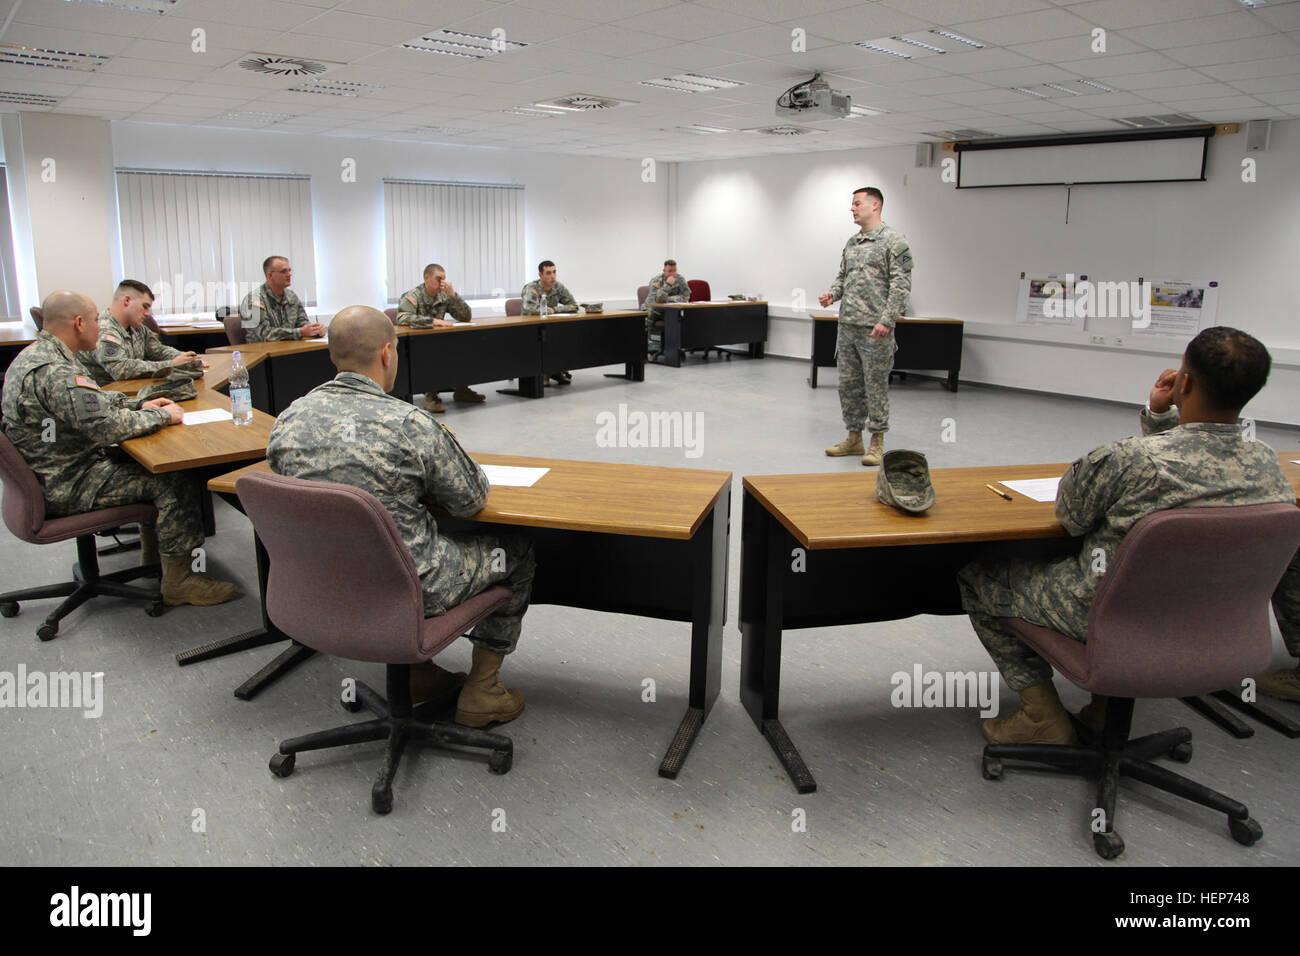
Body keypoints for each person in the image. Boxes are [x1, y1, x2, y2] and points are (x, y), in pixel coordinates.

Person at [958, 326, 1300, 744]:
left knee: (980, 578)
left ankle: (1041, 715)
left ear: (1185, 382)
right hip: (1210, 617)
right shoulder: (1266, 463)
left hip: (1109, 613)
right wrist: (1160, 419)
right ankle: (1105, 707)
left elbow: (1071, 517)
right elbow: (1190, 470)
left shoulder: (1125, 460)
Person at [266, 306, 535, 726]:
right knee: (515, 550)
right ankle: (483, 690)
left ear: (332, 355)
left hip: (320, 581)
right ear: (388, 353)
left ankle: (419, 675)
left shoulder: (289, 418)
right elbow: (471, 500)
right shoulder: (409, 423)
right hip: (410, 586)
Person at [1, 291, 239, 606]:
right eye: (96, 321)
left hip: (52, 470)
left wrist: (140, 402)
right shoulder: (56, 371)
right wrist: (161, 415)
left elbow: (92, 404)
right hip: (68, 482)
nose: (100, 328)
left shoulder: (39, 355)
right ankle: (181, 581)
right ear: (78, 323)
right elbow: (107, 428)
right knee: (174, 480)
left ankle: (154, 559)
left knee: (147, 465)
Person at [819, 186, 912, 467]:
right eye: (852, 204)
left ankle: (877, 442)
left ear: (875, 206)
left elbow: (901, 286)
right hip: (847, 327)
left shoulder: (895, 242)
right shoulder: (852, 242)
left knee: (875, 386)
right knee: (848, 386)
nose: (852, 208)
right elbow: (842, 277)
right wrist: (832, 294)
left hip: (875, 329)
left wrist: (887, 319)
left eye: (857, 203)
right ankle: (853, 438)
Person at [80, 279, 205, 385]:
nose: (147, 314)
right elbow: (120, 368)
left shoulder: (137, 327)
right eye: (144, 307)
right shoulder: (105, 329)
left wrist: (187, 358)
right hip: (109, 398)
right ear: (126, 301)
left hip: (132, 391)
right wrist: (171, 364)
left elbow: (158, 351)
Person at [395, 263, 481, 414]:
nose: (442, 283)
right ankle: (431, 397)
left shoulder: (444, 296)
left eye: (444, 279)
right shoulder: (413, 296)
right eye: (438, 278)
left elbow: (465, 316)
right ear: (426, 278)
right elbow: (403, 318)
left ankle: (461, 389)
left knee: (463, 349)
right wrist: (432, 321)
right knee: (431, 355)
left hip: (439, 341)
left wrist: (453, 296)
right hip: (418, 344)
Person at [239, 256, 326, 342]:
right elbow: (265, 335)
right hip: (261, 351)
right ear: (270, 275)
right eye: (284, 271)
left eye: (289, 270)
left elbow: (303, 324)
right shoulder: (253, 300)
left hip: (289, 349)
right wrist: (300, 332)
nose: (289, 274)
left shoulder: (291, 296)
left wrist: (316, 330)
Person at [521, 260, 576, 385]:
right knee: (547, 339)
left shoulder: (558, 287)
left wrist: (554, 309)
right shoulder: (531, 288)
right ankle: (544, 373)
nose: (552, 276)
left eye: (554, 272)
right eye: (548, 273)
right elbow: (530, 310)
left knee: (563, 337)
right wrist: (549, 311)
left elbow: (574, 306)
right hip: (530, 328)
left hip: (551, 327)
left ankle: (555, 371)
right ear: (540, 275)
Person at [644, 258, 690, 352]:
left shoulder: (680, 279)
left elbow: (686, 297)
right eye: (669, 271)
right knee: (649, 315)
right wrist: (668, 284)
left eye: (674, 271)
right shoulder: (656, 280)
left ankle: (674, 348)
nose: (672, 274)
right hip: (653, 309)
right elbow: (658, 300)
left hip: (671, 310)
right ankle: (644, 347)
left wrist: (668, 299)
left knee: (682, 317)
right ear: (664, 271)